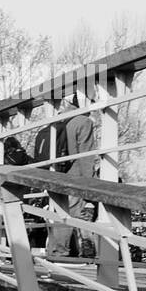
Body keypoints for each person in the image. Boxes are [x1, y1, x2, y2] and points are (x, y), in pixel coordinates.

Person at [32, 98, 97, 260]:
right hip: (74, 175)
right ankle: (64, 253)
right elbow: (86, 155)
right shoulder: (83, 121)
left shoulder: (58, 120)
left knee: (59, 215)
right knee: (79, 213)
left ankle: (54, 252)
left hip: (54, 174)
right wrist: (91, 184)